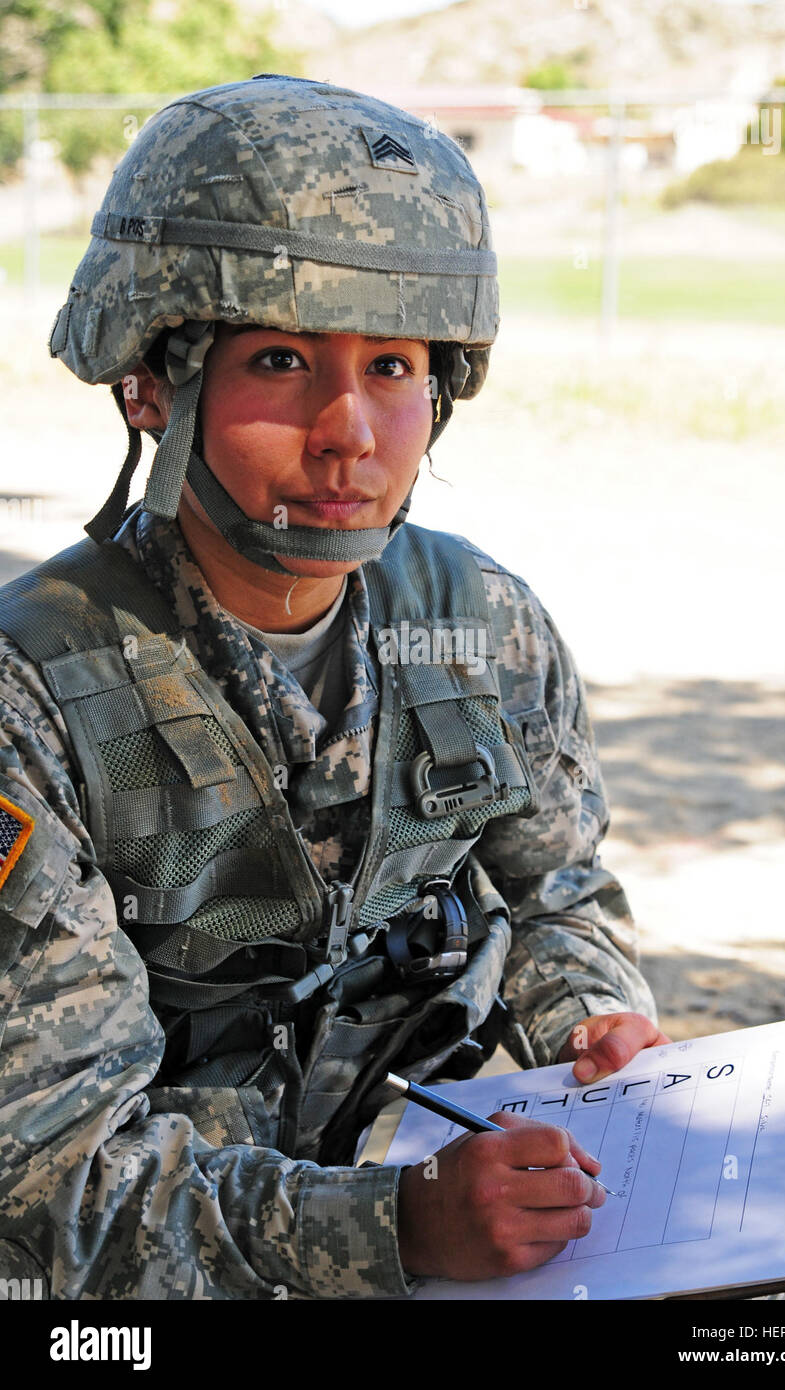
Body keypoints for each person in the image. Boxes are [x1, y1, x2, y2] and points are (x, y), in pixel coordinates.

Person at [0, 74, 667, 1299]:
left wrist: (590, 1024)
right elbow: (54, 1185)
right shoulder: (30, 700)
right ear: (153, 383)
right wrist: (391, 1231)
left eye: (397, 366)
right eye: (281, 358)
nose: (349, 431)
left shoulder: (479, 627)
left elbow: (555, 891)